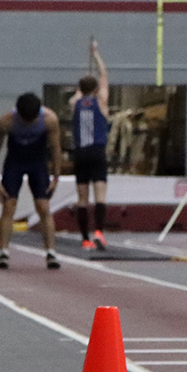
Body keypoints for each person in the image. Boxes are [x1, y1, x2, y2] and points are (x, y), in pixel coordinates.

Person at [0, 92, 63, 271]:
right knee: (9, 205)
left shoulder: (49, 120)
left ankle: (51, 252)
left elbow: (55, 148)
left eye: (32, 119)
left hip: (37, 164)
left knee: (44, 207)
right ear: (18, 114)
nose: (29, 123)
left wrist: (56, 177)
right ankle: (3, 252)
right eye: (25, 120)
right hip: (15, 163)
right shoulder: (6, 122)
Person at [69, 39, 111, 251]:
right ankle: (99, 232)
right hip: (97, 152)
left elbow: (80, 93)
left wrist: (81, 87)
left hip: (80, 153)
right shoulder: (101, 101)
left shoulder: (74, 103)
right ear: (95, 89)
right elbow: (104, 76)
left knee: (82, 198)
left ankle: (85, 239)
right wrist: (96, 54)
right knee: (100, 195)